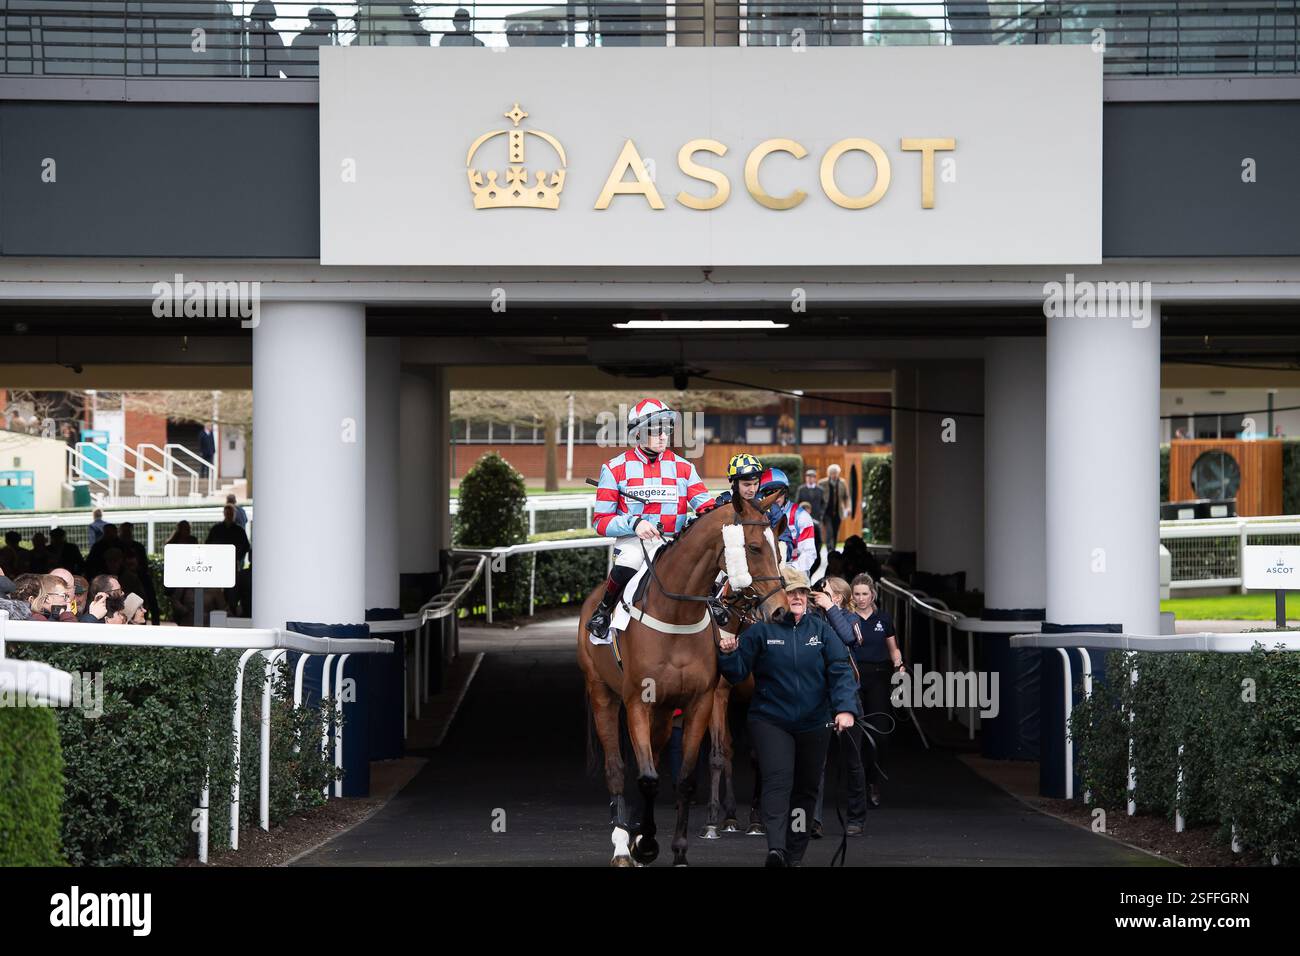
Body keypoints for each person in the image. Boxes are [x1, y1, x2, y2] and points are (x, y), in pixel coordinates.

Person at [717, 564, 858, 867]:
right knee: (778, 781)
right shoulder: (761, 631)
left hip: (814, 722)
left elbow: (840, 669)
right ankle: (776, 850)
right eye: (791, 591)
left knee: (806, 789)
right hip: (771, 720)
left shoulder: (820, 630)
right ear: (781, 595)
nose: (796, 597)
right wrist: (728, 654)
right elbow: (738, 672)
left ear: (808, 596)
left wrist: (845, 709)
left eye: (802, 592)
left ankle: (793, 854)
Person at [586, 398, 715, 640]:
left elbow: (704, 506)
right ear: (638, 433)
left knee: (712, 565)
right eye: (656, 430)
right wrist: (634, 523)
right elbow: (601, 521)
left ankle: (716, 612)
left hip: (674, 542)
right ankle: (603, 612)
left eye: (666, 429)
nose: (663, 436)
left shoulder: (684, 467)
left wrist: (720, 507)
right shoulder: (614, 468)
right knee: (630, 561)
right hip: (636, 543)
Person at [810, 575, 869, 834]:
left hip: (847, 696)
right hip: (818, 697)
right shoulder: (815, 618)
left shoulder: (851, 618)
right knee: (815, 762)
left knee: (852, 760)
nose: (818, 594)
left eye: (825, 591)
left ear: (838, 598)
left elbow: (848, 638)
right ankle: (813, 820)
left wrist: (831, 609)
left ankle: (856, 819)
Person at [758, 467, 817, 577]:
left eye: (778, 492)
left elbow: (809, 553)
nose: (775, 497)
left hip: (795, 573)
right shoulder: (758, 516)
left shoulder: (801, 516)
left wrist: (789, 569)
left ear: (785, 492)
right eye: (768, 493)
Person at [819, 464, 850, 551]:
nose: (834, 475)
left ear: (838, 473)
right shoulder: (822, 483)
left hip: (838, 512)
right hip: (826, 512)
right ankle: (830, 550)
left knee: (836, 531)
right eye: (832, 473)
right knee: (829, 531)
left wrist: (848, 508)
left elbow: (846, 497)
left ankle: (834, 548)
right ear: (828, 473)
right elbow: (818, 497)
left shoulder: (842, 483)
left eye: (835, 473)